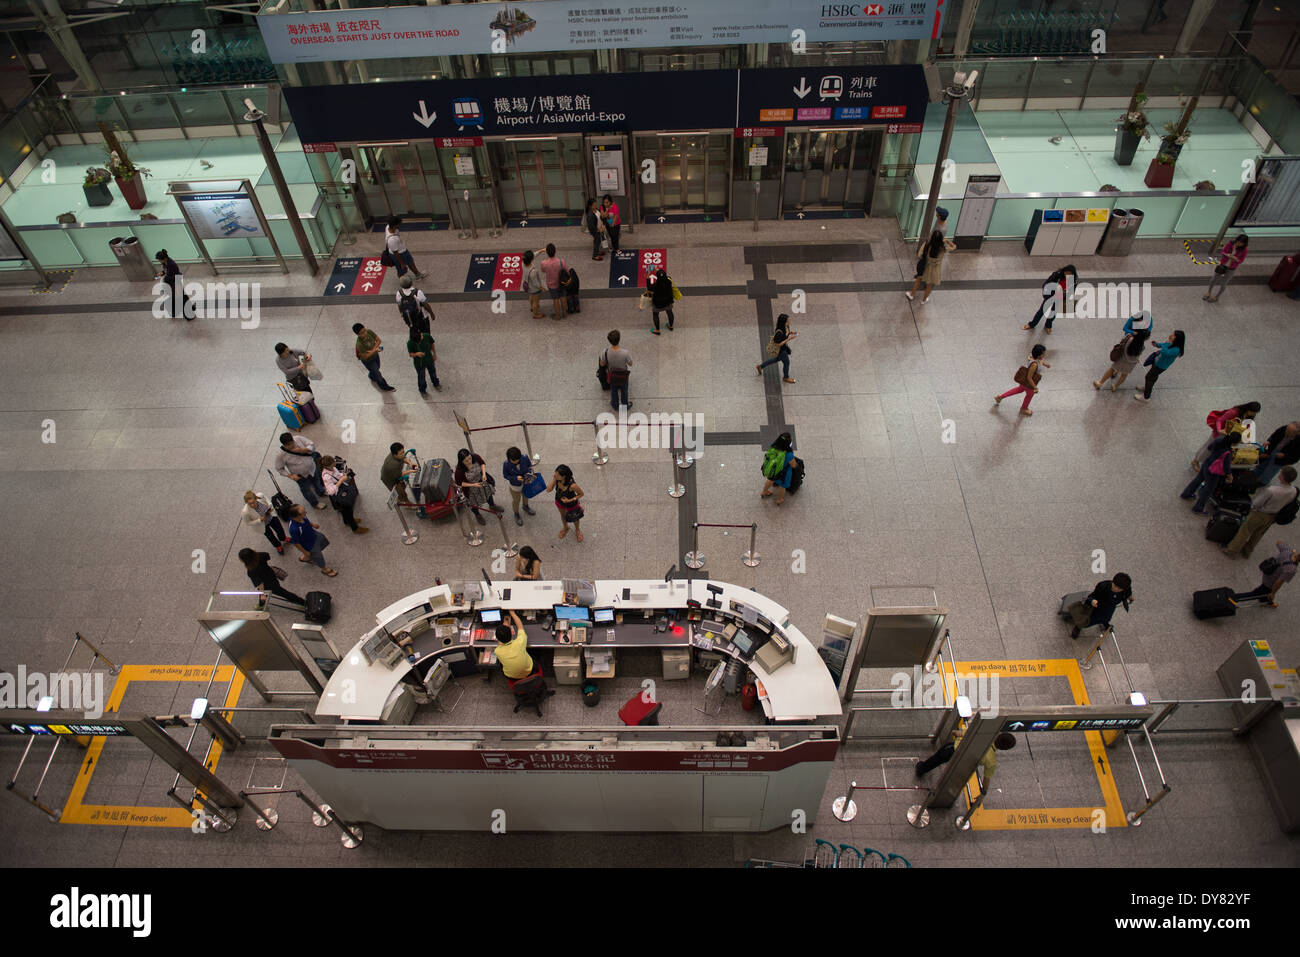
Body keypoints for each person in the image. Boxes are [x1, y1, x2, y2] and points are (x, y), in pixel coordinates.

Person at [1223, 467, 1299, 559]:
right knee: (1258, 534)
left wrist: (1253, 508)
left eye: (1281, 473)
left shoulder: (1272, 490)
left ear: (1283, 477)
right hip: (1273, 517)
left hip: (1261, 514)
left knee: (1245, 531)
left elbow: (1256, 503)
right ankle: (1247, 552)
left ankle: (1232, 550)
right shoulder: (1294, 491)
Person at [916, 730, 1017, 790]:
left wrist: (955, 732)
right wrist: (984, 791)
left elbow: (963, 733)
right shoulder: (991, 761)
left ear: (998, 736)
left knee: (936, 759)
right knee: (945, 769)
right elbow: (986, 779)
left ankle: (921, 769)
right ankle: (940, 787)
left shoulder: (984, 735)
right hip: (961, 762)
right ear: (1004, 749)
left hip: (952, 749)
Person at [1181, 430, 1244, 515]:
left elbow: (1209, 447)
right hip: (1213, 472)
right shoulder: (1227, 453)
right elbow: (1226, 468)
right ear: (1235, 443)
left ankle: (1187, 494)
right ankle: (1198, 508)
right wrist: (1230, 476)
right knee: (1208, 490)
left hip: (1206, 463)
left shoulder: (1219, 440)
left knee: (1198, 480)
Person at [906, 207, 954, 304]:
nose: (936, 214)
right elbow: (952, 247)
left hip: (926, 263)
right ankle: (923, 300)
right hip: (934, 268)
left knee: (919, 277)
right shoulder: (941, 250)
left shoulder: (929, 247)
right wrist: (948, 242)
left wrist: (924, 249)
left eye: (937, 213)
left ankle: (912, 294)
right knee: (929, 284)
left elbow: (921, 254)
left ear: (940, 216)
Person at [1191, 402, 1260, 470]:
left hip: (1230, 438)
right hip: (1220, 435)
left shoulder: (1249, 417)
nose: (1253, 414)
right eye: (1252, 412)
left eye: (1255, 413)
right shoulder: (1234, 412)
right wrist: (1219, 430)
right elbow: (1219, 420)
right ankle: (1196, 461)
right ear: (1248, 409)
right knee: (1208, 449)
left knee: (1217, 452)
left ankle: (1207, 462)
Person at [1068, 573, 1134, 639]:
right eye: (1115, 586)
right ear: (1113, 581)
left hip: (1110, 607)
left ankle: (1105, 622)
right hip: (1097, 607)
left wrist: (1130, 597)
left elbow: (1128, 593)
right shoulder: (1103, 586)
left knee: (1107, 617)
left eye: (1119, 589)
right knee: (1086, 621)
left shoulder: (1125, 589)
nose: (1116, 589)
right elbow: (1091, 596)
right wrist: (1092, 600)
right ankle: (1078, 627)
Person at [1232, 541, 1299, 607]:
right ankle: (1234, 598)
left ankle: (1265, 600)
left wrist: (1293, 551)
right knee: (1255, 593)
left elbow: (1279, 542)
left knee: (1264, 593)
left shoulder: (1288, 550)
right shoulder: (1292, 569)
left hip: (1268, 572)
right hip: (1270, 582)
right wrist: (1273, 593)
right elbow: (1278, 582)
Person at [237, 548, 306, 608]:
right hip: (271, 576)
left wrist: (263, 594)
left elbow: (260, 585)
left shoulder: (251, 571)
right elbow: (267, 557)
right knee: (281, 591)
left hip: (267, 585)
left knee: (283, 593)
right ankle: (262, 604)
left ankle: (303, 603)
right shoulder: (261, 555)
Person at [275, 432, 328, 509]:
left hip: (312, 468)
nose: (290, 446)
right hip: (300, 476)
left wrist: (303, 450)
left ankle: (321, 491)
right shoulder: (280, 455)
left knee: (317, 481)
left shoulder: (298, 439)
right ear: (283, 445)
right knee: (306, 490)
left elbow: (312, 445)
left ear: (293, 439)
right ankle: (315, 503)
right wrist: (290, 475)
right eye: (287, 445)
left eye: (291, 443)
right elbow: (279, 468)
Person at [994, 344, 1049, 417]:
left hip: (1024, 382)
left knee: (1019, 389)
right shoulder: (1034, 365)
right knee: (1030, 395)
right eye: (1043, 353)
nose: (1045, 354)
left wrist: (1045, 364)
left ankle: (1000, 397)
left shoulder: (1033, 356)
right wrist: (1034, 387)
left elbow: (1040, 361)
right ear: (1039, 355)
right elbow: (1029, 377)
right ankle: (1024, 408)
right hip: (1029, 382)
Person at [319, 455, 368, 534]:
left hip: (341, 490)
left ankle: (346, 521)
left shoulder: (333, 468)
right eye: (333, 463)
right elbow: (331, 491)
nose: (335, 464)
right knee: (348, 510)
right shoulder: (326, 476)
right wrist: (341, 481)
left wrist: (343, 475)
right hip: (339, 496)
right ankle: (355, 528)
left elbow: (338, 475)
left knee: (344, 510)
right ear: (328, 466)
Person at [1023, 264, 1079, 333]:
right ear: (1064, 271)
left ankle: (1048, 325)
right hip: (1051, 295)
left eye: (1069, 274)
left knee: (1053, 312)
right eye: (1066, 272)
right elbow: (1047, 284)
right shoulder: (1057, 275)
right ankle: (1032, 324)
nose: (1067, 274)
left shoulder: (1074, 280)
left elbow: (1072, 291)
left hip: (1060, 297)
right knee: (1042, 310)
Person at [1134, 330, 1184, 402]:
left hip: (1160, 366)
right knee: (1153, 377)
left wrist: (1167, 342)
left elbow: (1165, 352)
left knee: (1148, 377)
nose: (1171, 335)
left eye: (1173, 335)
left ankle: (1146, 397)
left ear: (1177, 338)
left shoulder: (1176, 349)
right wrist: (1158, 344)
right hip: (1157, 361)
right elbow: (1164, 345)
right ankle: (1147, 388)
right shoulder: (1172, 343)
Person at [1093, 327, 1150, 392]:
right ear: (1145, 339)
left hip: (1121, 358)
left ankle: (1100, 383)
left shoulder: (1128, 337)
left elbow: (1121, 344)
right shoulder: (1142, 347)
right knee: (1124, 375)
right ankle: (1115, 386)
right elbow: (1137, 355)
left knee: (1112, 369)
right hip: (1131, 363)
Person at [287, 504, 337, 577]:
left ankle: (306, 558)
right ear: (298, 515)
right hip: (309, 545)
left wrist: (313, 525)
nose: (306, 512)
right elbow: (296, 543)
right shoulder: (294, 529)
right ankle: (324, 569)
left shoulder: (302, 516)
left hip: (313, 534)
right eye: (304, 511)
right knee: (318, 556)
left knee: (322, 539)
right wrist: (305, 552)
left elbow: (306, 520)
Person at [454, 448, 500, 526]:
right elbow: (459, 483)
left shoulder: (475, 457)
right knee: (473, 503)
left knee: (488, 494)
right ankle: (477, 515)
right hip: (471, 489)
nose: (469, 461)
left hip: (481, 482)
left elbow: (482, 463)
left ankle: (492, 506)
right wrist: (473, 485)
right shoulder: (459, 471)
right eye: (466, 461)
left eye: (469, 458)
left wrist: (484, 474)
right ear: (461, 461)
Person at [1204, 233, 1248, 303]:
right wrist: (1227, 255)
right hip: (1223, 264)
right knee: (1213, 279)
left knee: (1223, 283)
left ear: (1244, 244)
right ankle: (1208, 292)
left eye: (1240, 243)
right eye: (1238, 242)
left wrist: (1236, 259)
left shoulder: (1244, 250)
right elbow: (1223, 251)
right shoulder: (1230, 244)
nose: (1238, 244)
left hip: (1231, 268)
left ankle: (1217, 297)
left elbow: (1241, 261)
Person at [352, 322, 395, 392]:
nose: (365, 333)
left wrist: (372, 350)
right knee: (378, 374)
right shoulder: (359, 344)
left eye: (364, 330)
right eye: (362, 333)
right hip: (368, 361)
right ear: (358, 334)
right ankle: (384, 386)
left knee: (377, 367)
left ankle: (371, 375)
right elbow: (365, 356)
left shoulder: (369, 331)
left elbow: (378, 340)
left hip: (375, 356)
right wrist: (375, 349)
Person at [547, 464, 585, 542]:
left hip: (571, 504)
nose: (554, 475)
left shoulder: (572, 485)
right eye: (555, 472)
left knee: (575, 518)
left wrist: (570, 500)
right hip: (559, 501)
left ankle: (577, 530)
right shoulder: (557, 480)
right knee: (563, 515)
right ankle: (565, 527)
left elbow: (581, 494)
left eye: (557, 474)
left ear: (563, 476)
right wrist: (554, 479)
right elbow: (548, 489)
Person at [760, 432, 800, 506]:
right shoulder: (788, 454)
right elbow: (793, 465)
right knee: (782, 486)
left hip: (772, 470)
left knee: (770, 480)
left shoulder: (773, 447)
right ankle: (779, 499)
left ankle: (764, 492)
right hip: (783, 473)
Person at [1255, 421, 1300, 486]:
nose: (1286, 432)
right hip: (1272, 450)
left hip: (1280, 460)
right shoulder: (1284, 428)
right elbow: (1274, 435)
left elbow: (1295, 458)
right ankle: (1256, 473)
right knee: (1263, 463)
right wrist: (1268, 441)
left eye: (1290, 432)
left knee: (1270, 471)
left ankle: (1262, 482)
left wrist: (1284, 456)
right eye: (1287, 429)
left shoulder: (1298, 442)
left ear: (1297, 433)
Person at [756, 313, 798, 384]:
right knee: (786, 362)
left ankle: (760, 366)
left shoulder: (786, 327)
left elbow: (786, 334)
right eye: (788, 320)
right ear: (783, 322)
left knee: (776, 359)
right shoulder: (779, 332)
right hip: (781, 350)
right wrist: (789, 339)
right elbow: (778, 344)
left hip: (784, 347)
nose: (789, 321)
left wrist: (790, 332)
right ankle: (786, 377)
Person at [503, 446, 538, 527]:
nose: (516, 462)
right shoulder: (506, 464)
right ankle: (516, 513)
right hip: (515, 485)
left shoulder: (525, 457)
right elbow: (505, 475)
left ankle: (525, 506)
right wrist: (515, 478)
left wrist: (528, 474)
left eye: (518, 459)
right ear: (509, 459)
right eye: (514, 461)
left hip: (526, 482)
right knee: (516, 500)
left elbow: (529, 467)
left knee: (526, 496)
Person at [495, 609, 535, 680]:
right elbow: (520, 627)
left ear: (497, 638)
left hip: (511, 676)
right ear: (511, 633)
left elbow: (500, 643)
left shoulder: (497, 651)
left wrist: (504, 630)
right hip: (528, 671)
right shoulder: (519, 642)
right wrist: (512, 613)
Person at [154, 249, 193, 320]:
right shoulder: (165, 263)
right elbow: (166, 271)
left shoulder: (172, 264)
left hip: (175, 283)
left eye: (159, 260)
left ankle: (189, 314)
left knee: (181, 298)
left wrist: (165, 277)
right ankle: (188, 308)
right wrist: (162, 273)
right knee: (181, 296)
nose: (159, 261)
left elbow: (174, 275)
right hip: (171, 283)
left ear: (164, 258)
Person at [600, 329, 632, 412]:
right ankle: (625, 405)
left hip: (612, 375)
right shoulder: (625, 352)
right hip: (623, 375)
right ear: (619, 339)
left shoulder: (605, 352)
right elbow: (630, 363)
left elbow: (602, 364)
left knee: (613, 390)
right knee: (624, 390)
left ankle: (615, 405)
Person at [380, 442, 417, 506]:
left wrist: (410, 463)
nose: (403, 454)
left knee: (402, 486)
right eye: (401, 453)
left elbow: (403, 458)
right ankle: (407, 503)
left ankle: (401, 496)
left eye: (403, 452)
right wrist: (411, 471)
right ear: (395, 455)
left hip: (395, 473)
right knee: (402, 494)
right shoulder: (393, 464)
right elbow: (400, 474)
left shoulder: (396, 454)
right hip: (389, 479)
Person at [406, 325, 440, 395]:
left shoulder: (426, 336)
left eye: (420, 339)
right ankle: (422, 390)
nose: (419, 342)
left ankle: (436, 383)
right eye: (417, 342)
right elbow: (410, 354)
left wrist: (434, 354)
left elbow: (432, 343)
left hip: (429, 359)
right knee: (421, 376)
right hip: (419, 363)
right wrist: (416, 354)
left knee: (433, 372)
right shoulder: (410, 342)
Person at [539, 243, 568, 320]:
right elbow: (567, 271)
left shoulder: (544, 263)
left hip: (551, 284)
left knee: (555, 299)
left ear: (547, 253)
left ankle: (557, 316)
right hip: (562, 283)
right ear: (555, 251)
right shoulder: (562, 261)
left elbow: (543, 271)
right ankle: (565, 313)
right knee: (563, 297)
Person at [647, 267, 675, 334]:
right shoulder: (669, 281)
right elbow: (663, 276)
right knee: (669, 312)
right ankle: (671, 326)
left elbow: (649, 287)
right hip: (668, 301)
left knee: (655, 314)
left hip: (657, 303)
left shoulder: (655, 285)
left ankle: (657, 330)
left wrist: (648, 275)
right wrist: (657, 270)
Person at [522, 249, 546, 319]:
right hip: (535, 289)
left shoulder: (523, 263)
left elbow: (533, 255)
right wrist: (542, 287)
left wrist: (541, 251)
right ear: (531, 260)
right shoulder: (533, 271)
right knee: (536, 301)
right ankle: (535, 314)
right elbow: (536, 284)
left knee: (531, 296)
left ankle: (532, 307)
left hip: (527, 285)